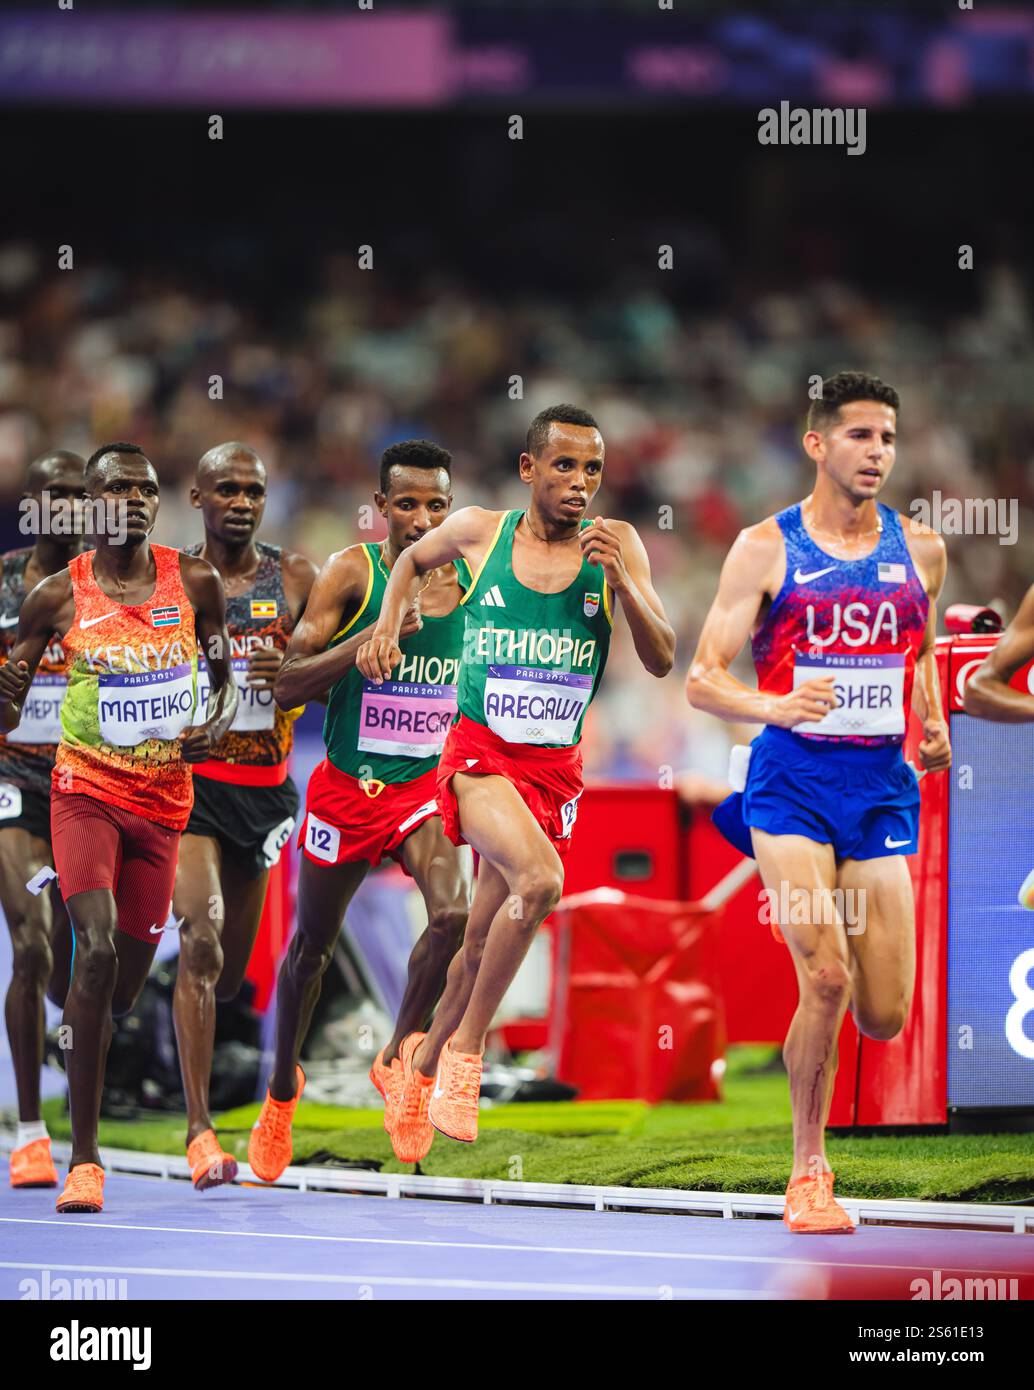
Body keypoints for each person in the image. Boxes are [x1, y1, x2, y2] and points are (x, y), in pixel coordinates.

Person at [356, 404, 675, 1148]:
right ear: (530, 468)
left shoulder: (618, 544)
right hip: (479, 757)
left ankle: (418, 1063)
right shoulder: (479, 531)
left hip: (553, 772)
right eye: (563, 466)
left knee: (478, 945)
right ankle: (465, 1057)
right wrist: (385, 625)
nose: (579, 483)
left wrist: (624, 582)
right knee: (539, 883)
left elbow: (661, 658)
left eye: (592, 469)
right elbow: (406, 558)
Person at [686, 372, 951, 1233]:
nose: (877, 452)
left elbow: (920, 650)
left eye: (888, 438)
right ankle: (808, 1171)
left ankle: (813, 1123)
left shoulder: (923, 549)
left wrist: (934, 718)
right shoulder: (766, 548)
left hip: (877, 791)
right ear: (817, 443)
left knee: (885, 1013)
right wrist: (775, 707)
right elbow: (702, 678)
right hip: (789, 785)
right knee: (827, 977)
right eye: (860, 436)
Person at [0, 443, 236, 1213]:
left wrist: (214, 723)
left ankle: (86, 1030)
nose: (133, 501)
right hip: (83, 793)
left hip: (163, 804)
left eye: (147, 490)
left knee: (120, 988)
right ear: (91, 506)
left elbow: (228, 685)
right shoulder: (54, 596)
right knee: (91, 954)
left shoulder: (193, 581)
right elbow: (12, 700)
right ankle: (84, 1157)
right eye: (117, 490)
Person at [248, 440, 473, 1180]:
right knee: (311, 948)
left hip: (422, 790)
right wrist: (367, 643)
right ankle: (282, 1091)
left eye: (436, 504)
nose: (422, 518)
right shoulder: (354, 572)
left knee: (453, 917)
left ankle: (398, 1057)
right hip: (346, 789)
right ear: (380, 508)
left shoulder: (473, 580)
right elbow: (284, 685)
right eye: (405, 503)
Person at [172, 442, 318, 1189]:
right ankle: (200, 1131)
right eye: (225, 489)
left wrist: (291, 674)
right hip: (192, 784)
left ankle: (172, 994)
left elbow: (335, 682)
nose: (240, 501)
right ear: (196, 498)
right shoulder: (171, 582)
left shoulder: (296, 577)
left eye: (253, 490)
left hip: (265, 790)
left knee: (225, 974)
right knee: (201, 941)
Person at [2, 451, 85, 1189]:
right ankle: (30, 1130)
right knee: (28, 948)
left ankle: (66, 1037)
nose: (65, 506)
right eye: (52, 495)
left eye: (77, 496)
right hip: (12, 783)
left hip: (85, 784)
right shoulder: (3, 579)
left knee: (77, 960)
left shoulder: (104, 588)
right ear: (30, 503)